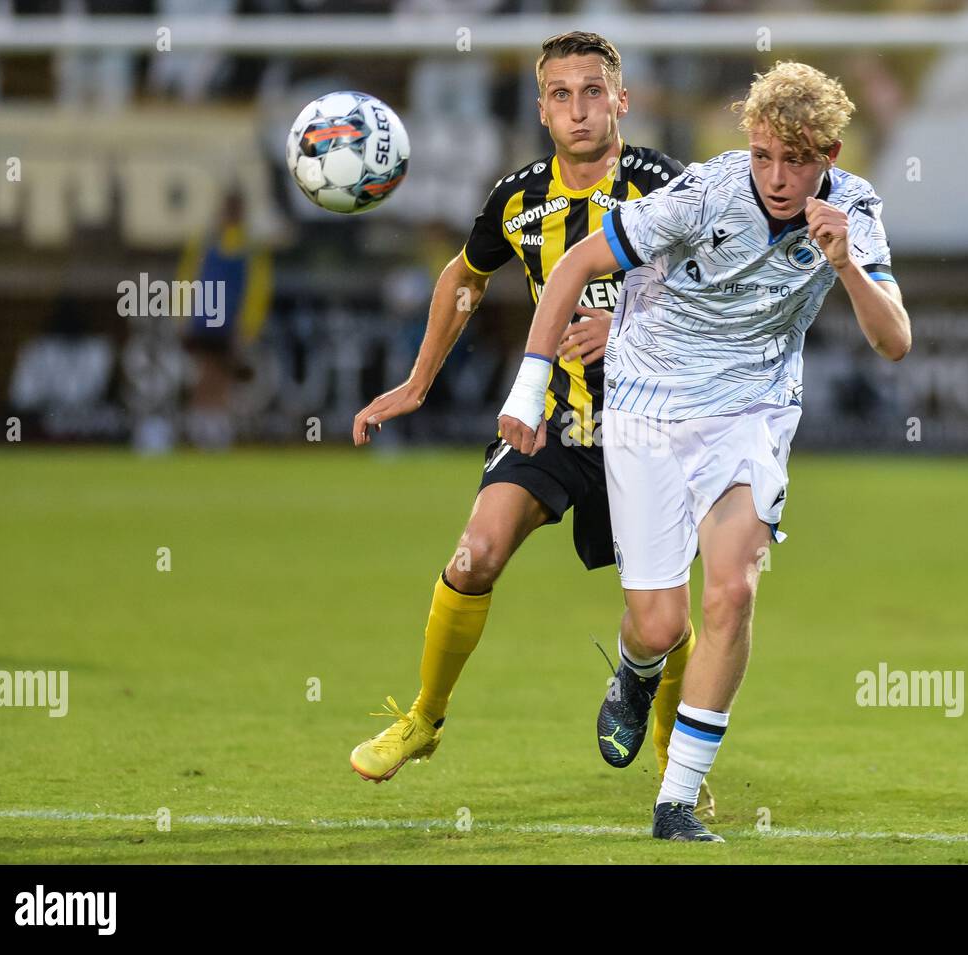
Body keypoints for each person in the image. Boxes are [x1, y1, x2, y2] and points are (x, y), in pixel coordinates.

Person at [497, 61, 911, 841]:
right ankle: (637, 669)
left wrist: (845, 263)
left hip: (751, 414)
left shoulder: (855, 209)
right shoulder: (705, 194)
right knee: (658, 625)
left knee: (733, 590)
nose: (778, 178)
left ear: (832, 151)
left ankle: (676, 801)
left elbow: (895, 341)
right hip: (647, 405)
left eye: (797, 159)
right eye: (763, 156)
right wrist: (529, 388)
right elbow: (581, 262)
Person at [348, 32, 704, 802]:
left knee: (661, 614)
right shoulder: (515, 198)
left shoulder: (665, 186)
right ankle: (423, 718)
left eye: (593, 91)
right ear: (542, 108)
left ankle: (679, 761)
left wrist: (632, 326)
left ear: (622, 99)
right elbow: (463, 276)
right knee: (475, 553)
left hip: (650, 427)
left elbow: (719, 284)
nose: (579, 110)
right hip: (552, 423)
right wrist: (417, 380)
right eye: (561, 94)